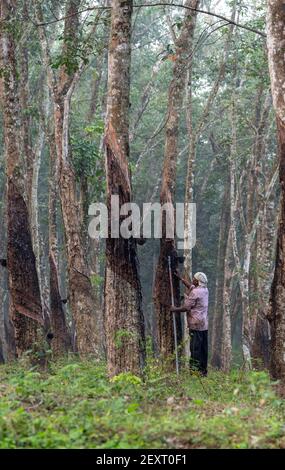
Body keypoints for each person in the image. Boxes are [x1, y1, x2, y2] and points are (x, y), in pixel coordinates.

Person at [170, 272, 209, 376]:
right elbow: (191, 286)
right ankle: (203, 372)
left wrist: (175, 309)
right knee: (203, 349)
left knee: (195, 349)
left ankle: (194, 372)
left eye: (194, 279)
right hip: (204, 324)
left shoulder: (195, 292)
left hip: (195, 324)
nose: (192, 280)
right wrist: (182, 279)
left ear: (197, 281)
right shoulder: (205, 290)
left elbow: (186, 308)